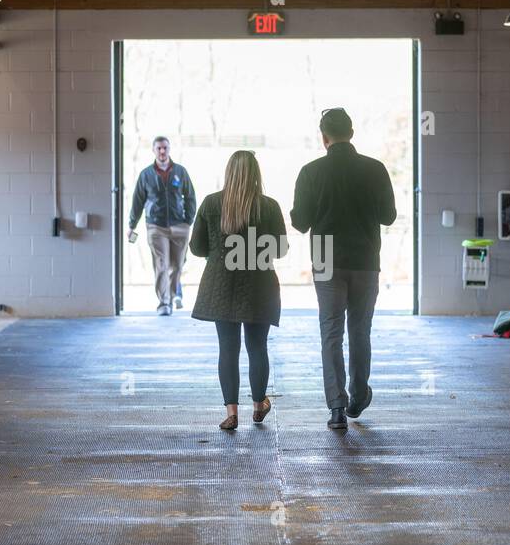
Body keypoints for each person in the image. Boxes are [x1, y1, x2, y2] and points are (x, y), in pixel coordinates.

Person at [291, 108, 396, 430]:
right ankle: (359, 394)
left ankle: (336, 408)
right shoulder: (375, 169)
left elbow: (300, 222)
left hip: (325, 256)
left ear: (324, 138)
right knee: (360, 330)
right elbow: (388, 217)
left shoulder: (311, 171)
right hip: (365, 257)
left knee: (331, 331)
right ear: (352, 132)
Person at [190, 151, 287, 431]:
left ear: (228, 172)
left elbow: (197, 248)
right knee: (257, 348)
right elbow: (280, 249)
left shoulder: (211, 203)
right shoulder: (268, 207)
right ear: (256, 173)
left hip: (221, 287)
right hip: (259, 286)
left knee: (227, 350)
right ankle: (259, 405)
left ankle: (231, 413)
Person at [128, 136, 197, 315]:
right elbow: (137, 201)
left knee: (178, 265)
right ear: (153, 150)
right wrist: (132, 225)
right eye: (158, 148)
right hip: (156, 227)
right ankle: (164, 303)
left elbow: (190, 197)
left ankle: (174, 294)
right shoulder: (146, 175)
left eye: (165, 147)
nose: (162, 151)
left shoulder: (180, 172)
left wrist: (188, 220)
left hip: (179, 225)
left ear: (169, 149)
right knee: (162, 264)